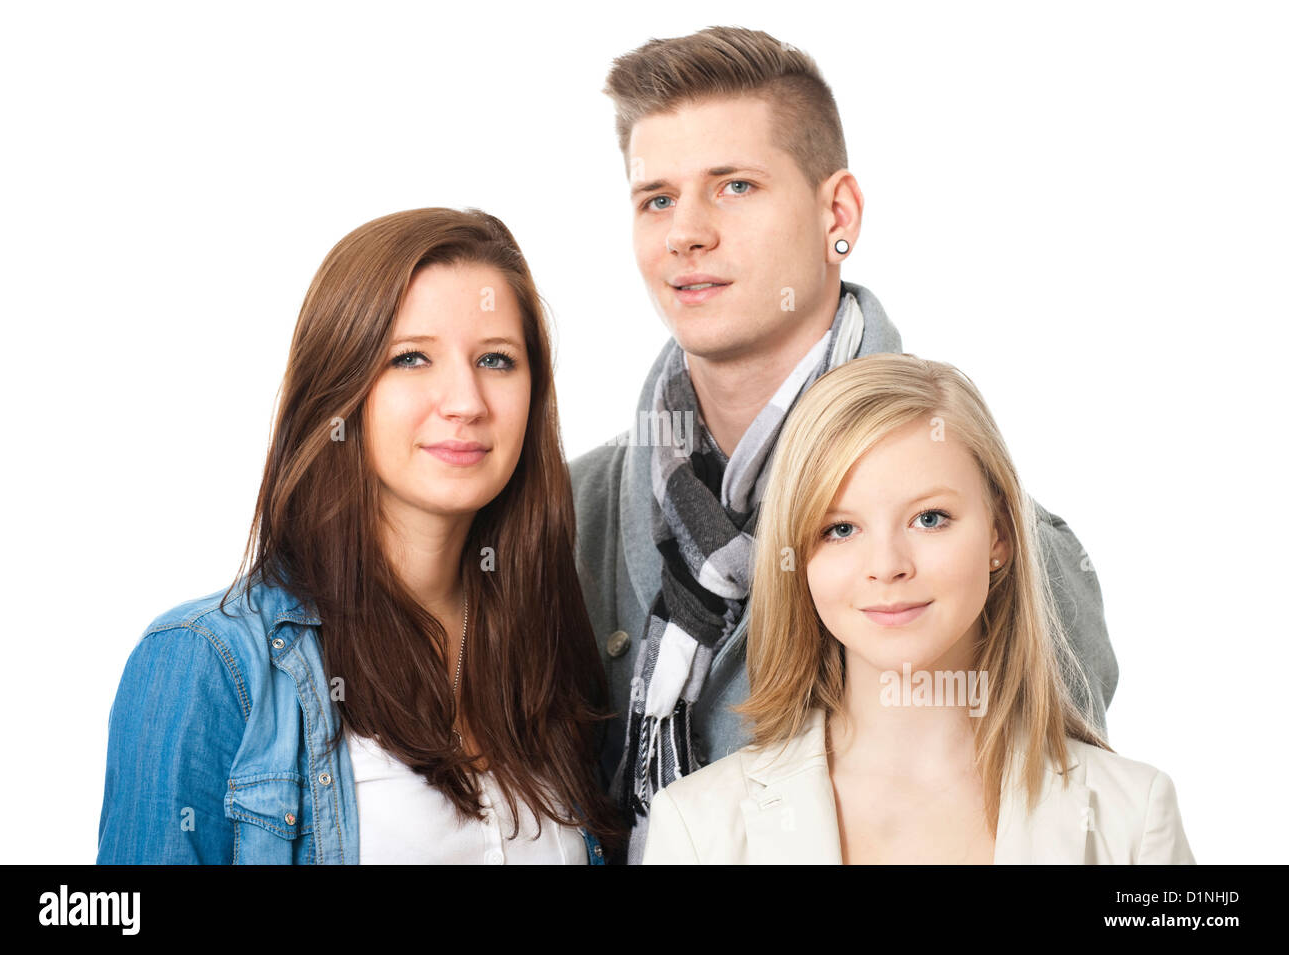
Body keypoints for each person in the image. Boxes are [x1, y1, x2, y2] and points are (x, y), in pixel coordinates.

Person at [569, 26, 1118, 862]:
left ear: (839, 214)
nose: (686, 232)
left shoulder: (1002, 542)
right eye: (657, 199)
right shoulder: (572, 511)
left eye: (735, 186)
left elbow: (1071, 831)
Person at [97, 207, 622, 864]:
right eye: (411, 358)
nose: (464, 400)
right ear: (339, 391)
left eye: (495, 358)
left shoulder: (553, 651)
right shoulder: (209, 664)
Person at [643, 354, 1194, 864]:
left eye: (929, 518)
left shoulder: (1134, 819)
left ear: (1000, 534)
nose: (887, 565)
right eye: (840, 529)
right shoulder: (700, 830)